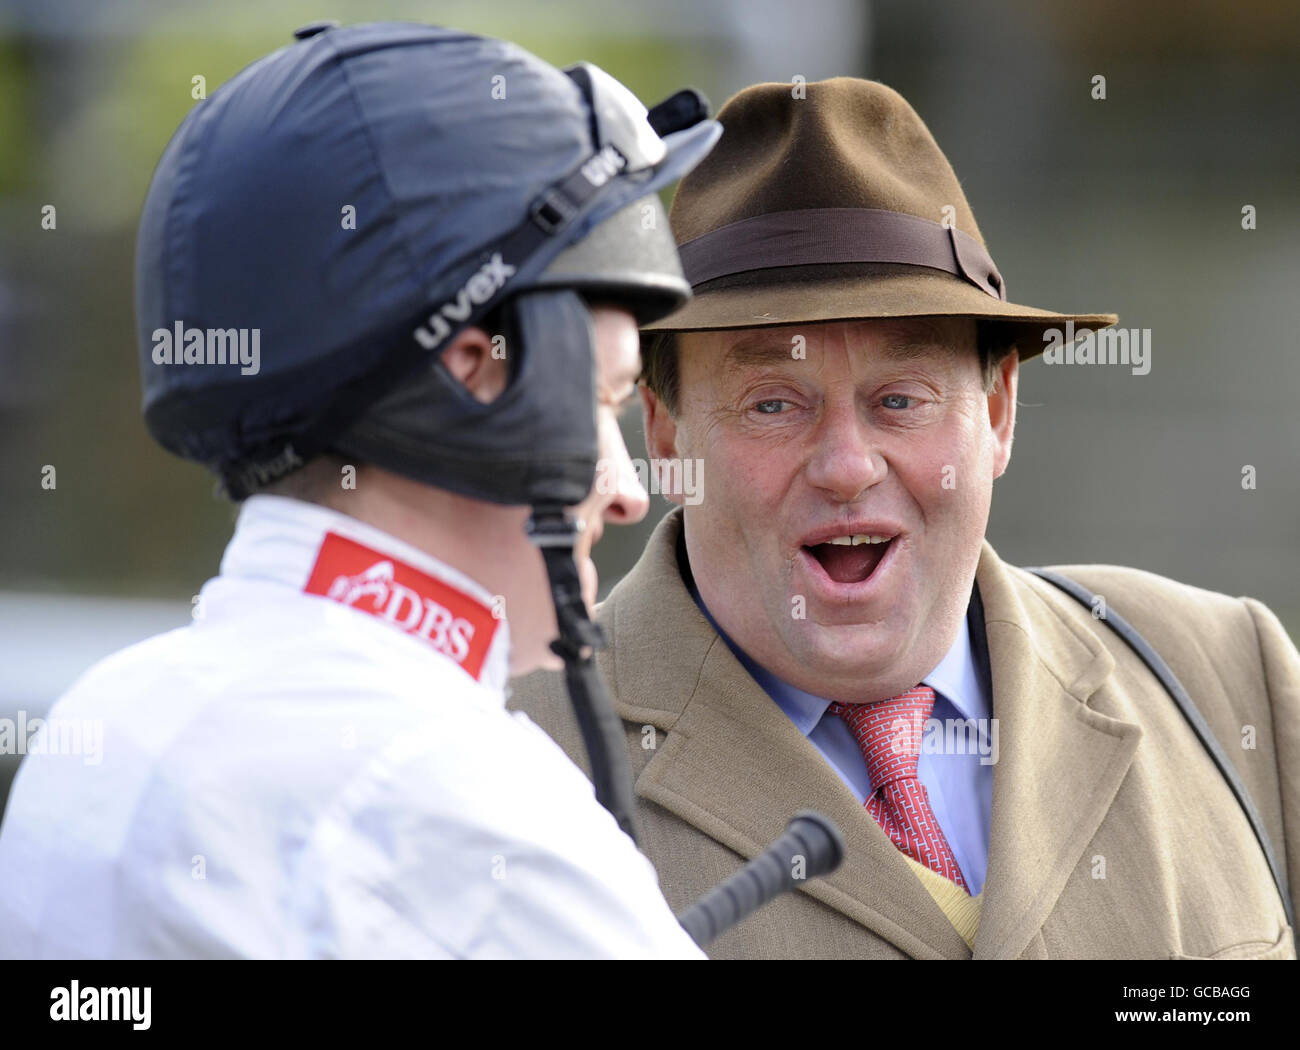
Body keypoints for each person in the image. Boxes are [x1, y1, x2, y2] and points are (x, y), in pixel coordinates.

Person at [510, 77, 1300, 959]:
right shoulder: (508, 767)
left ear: (998, 414)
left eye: (901, 399)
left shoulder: (1228, 679)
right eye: (773, 403)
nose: (847, 466)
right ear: (666, 435)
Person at [0, 21, 721, 959]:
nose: (628, 494)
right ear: (477, 370)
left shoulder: (97, 728)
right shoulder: (468, 807)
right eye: (600, 400)